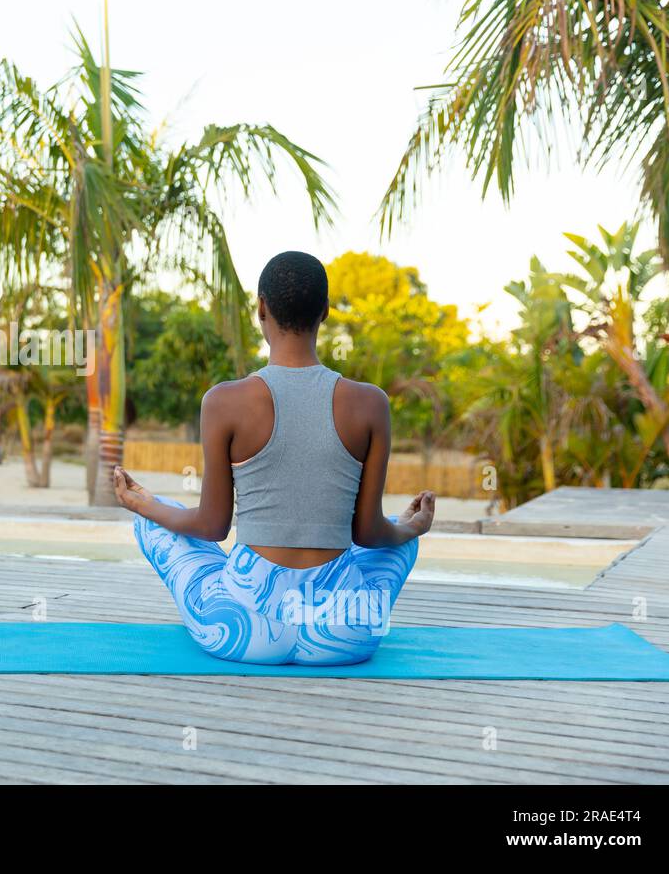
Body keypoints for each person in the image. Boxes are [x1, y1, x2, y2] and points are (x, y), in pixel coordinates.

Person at [113, 250, 436, 665]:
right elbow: (369, 534)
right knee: (401, 536)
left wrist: (143, 503)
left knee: (154, 521)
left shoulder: (224, 401)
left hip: (243, 630)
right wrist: (414, 528)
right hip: (343, 632)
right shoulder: (371, 404)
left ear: (261, 308)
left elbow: (211, 526)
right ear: (325, 312)